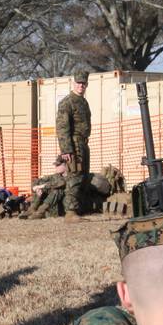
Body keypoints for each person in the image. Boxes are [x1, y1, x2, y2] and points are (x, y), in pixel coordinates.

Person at [55, 71, 92, 220]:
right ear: (73, 83)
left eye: (83, 83)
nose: (81, 86)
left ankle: (78, 209)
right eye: (78, 83)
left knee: (83, 176)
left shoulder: (83, 102)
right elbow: (62, 127)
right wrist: (66, 149)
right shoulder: (67, 102)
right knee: (74, 176)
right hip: (74, 143)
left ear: (86, 84)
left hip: (83, 142)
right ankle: (70, 212)